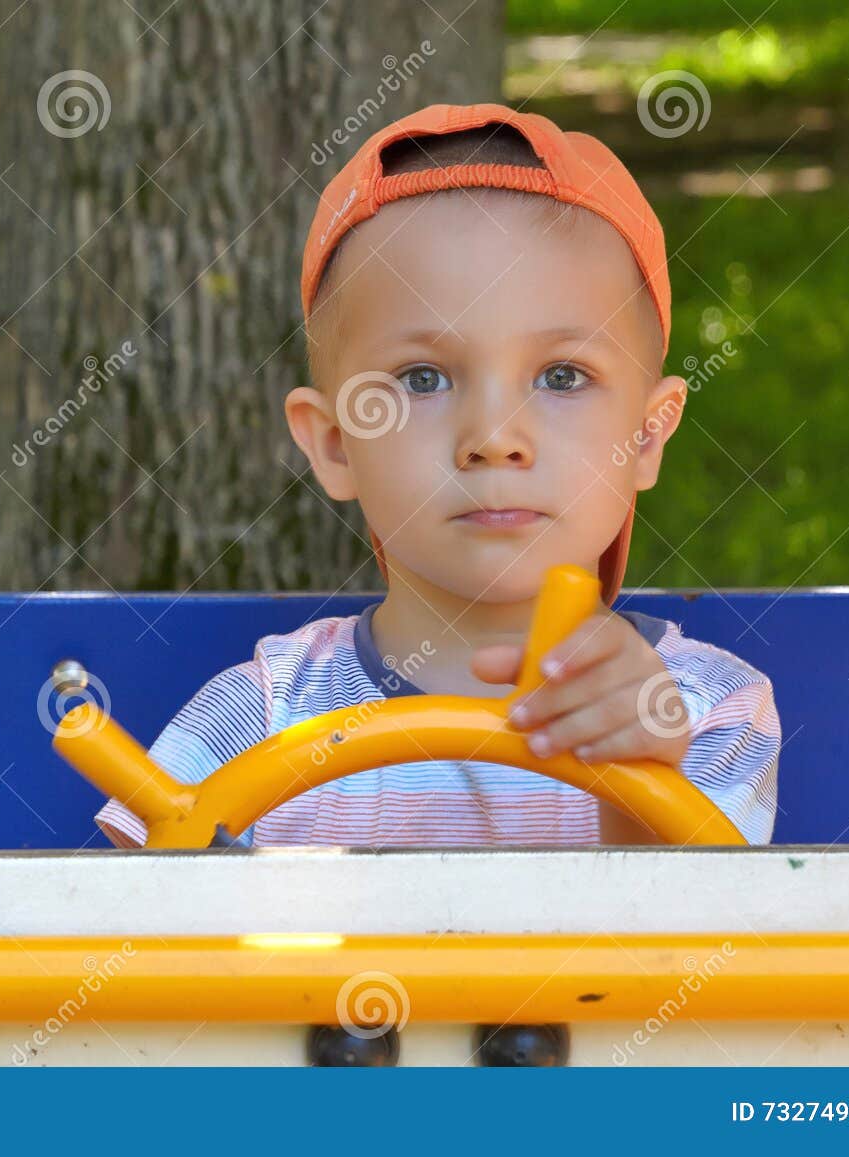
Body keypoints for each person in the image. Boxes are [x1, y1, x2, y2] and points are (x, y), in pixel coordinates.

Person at [96, 103, 779, 848]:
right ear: (335, 443)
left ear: (646, 436)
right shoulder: (258, 714)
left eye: (561, 375)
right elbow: (135, 918)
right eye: (422, 379)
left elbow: (699, 925)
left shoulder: (705, 710)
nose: (494, 439)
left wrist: (638, 781)